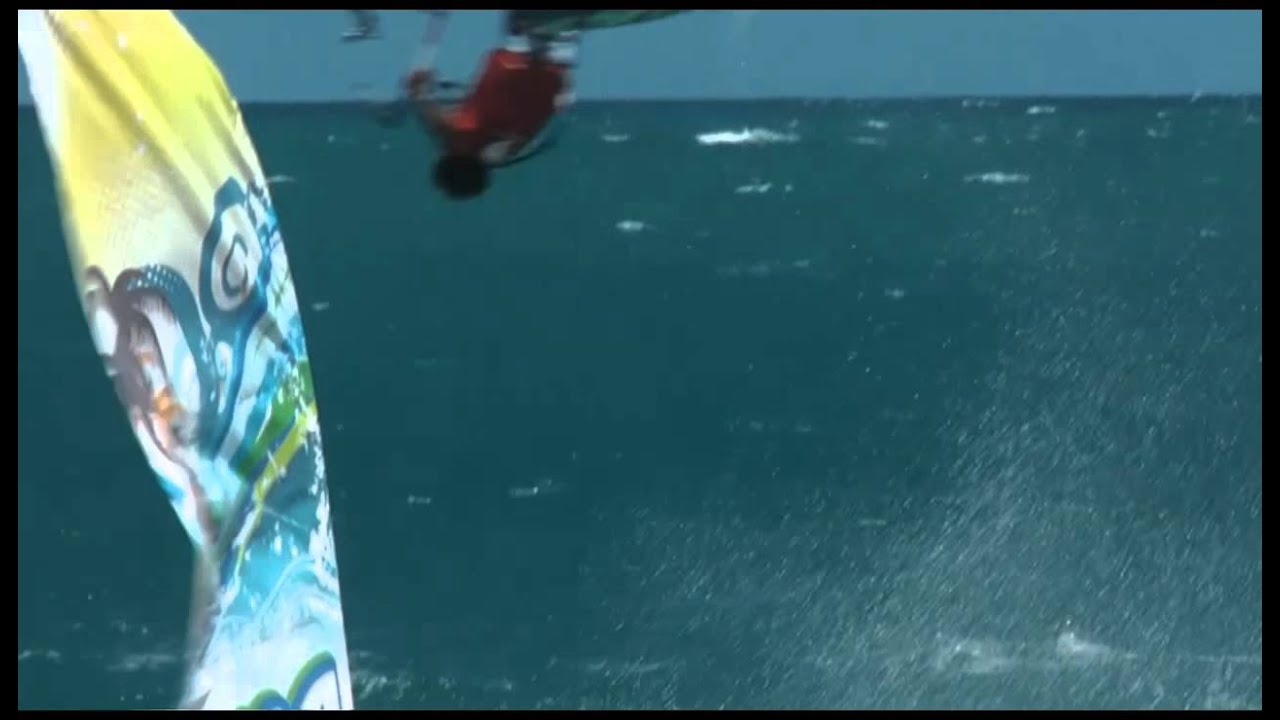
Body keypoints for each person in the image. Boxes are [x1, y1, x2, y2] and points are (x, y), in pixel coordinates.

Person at [405, 20, 577, 200]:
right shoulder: (464, 142)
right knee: (536, 31)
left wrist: (419, 89)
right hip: (525, 64)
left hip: (544, 70)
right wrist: (418, 89)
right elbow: (425, 107)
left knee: (544, 35)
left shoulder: (474, 146)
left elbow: (424, 105)